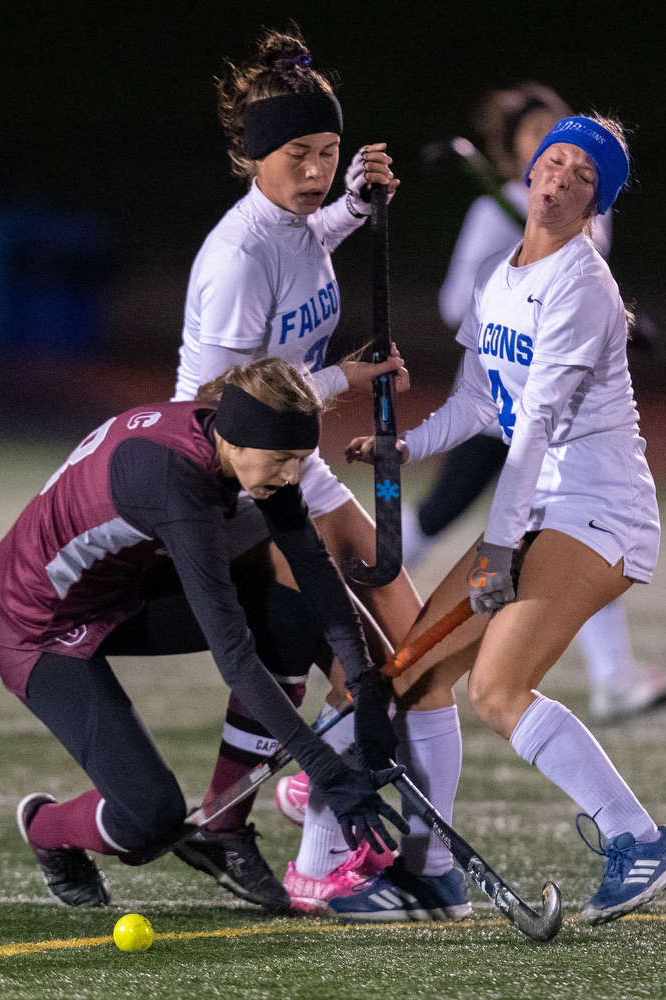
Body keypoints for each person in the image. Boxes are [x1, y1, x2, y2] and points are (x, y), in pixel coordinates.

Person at [339, 114, 666, 924]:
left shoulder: (582, 284)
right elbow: (478, 401)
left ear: (596, 201)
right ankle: (433, 873)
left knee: (498, 688)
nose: (563, 179)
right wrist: (403, 445)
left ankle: (639, 841)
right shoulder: (503, 277)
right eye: (554, 163)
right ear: (529, 174)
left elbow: (532, 428)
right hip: (540, 510)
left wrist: (500, 546)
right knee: (420, 675)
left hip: (597, 513)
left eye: (584, 176)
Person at [170, 28, 453, 916]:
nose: (317, 171)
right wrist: (345, 380)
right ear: (256, 156)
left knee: (417, 648)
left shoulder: (295, 225)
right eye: (300, 155)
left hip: (299, 467)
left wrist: (359, 206)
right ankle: (321, 862)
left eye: (331, 153)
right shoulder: (238, 257)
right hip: (232, 477)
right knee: (352, 654)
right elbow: (221, 400)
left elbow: (312, 238)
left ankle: (426, 854)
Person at [0, 357, 408, 911]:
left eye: (300, 462)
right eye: (283, 462)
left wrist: (365, 684)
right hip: (36, 627)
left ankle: (224, 831)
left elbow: (311, 560)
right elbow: (235, 658)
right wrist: (327, 770)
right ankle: (45, 828)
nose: (290, 477)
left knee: (291, 612)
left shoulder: (243, 434)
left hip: (120, 591)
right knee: (149, 819)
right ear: (235, 441)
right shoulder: (177, 484)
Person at [402, 83, 666, 724]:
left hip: (558, 419)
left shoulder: (588, 214)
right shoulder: (492, 219)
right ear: (523, 154)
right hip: (507, 403)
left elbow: (580, 294)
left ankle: (614, 680)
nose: (557, 162)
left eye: (569, 147)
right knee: (438, 516)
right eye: (542, 143)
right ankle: (357, 612)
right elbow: (455, 307)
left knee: (577, 540)